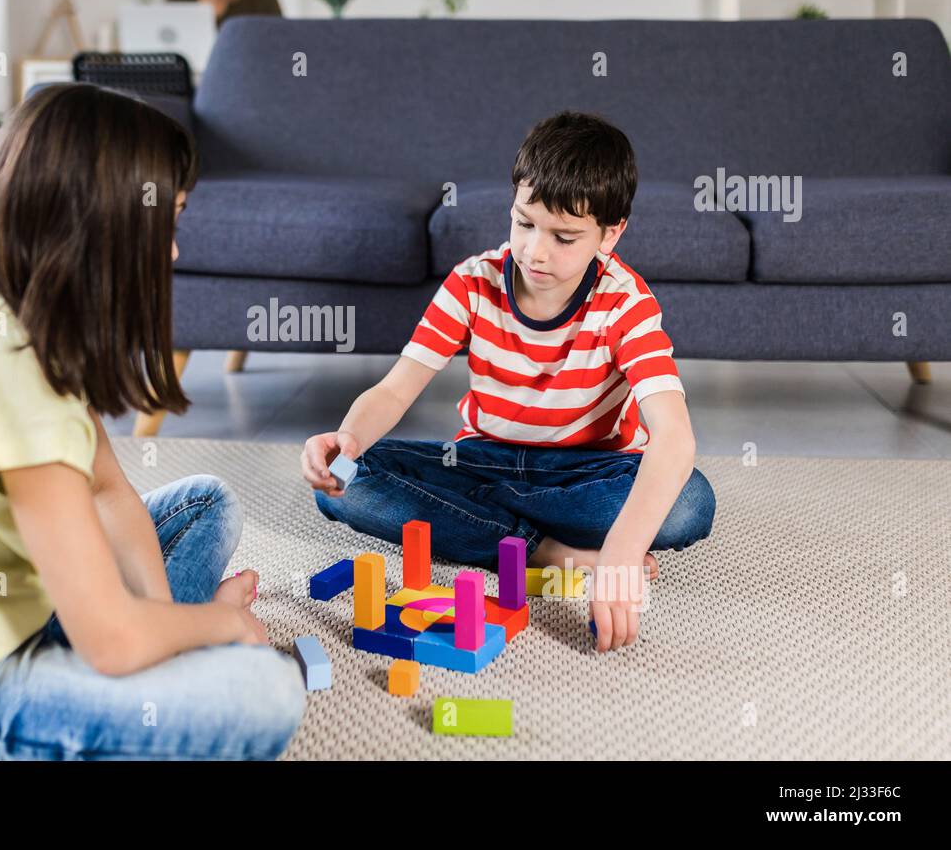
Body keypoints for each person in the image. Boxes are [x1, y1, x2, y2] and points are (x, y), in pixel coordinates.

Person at [0, 83, 305, 761]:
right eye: (170, 221)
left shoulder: (9, 323)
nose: (175, 252)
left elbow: (106, 491)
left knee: (205, 505)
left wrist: (169, 627)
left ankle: (154, 655)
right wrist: (213, 626)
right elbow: (111, 642)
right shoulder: (9, 368)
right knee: (266, 692)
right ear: (103, 224)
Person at [301, 111, 717, 655]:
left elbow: (675, 436)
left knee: (689, 501)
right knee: (344, 483)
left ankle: (482, 524)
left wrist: (621, 552)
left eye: (564, 237)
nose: (535, 251)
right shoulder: (473, 282)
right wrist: (349, 437)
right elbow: (395, 389)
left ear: (611, 234)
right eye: (524, 223)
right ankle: (546, 552)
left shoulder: (626, 302)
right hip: (483, 459)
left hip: (586, 471)